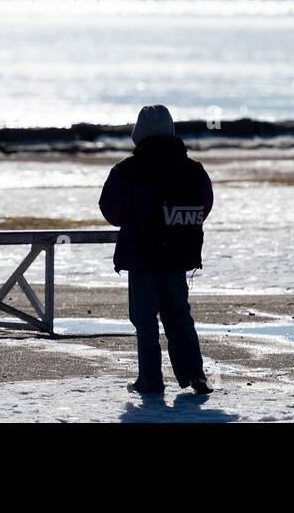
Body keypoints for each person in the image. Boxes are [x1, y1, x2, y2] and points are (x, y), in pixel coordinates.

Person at [99, 105, 214, 396]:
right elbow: (204, 205)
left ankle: (150, 380)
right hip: (178, 253)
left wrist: (136, 221)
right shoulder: (192, 169)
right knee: (178, 314)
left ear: (139, 132)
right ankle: (194, 374)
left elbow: (110, 209)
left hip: (141, 256)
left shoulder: (128, 169)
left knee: (145, 318)